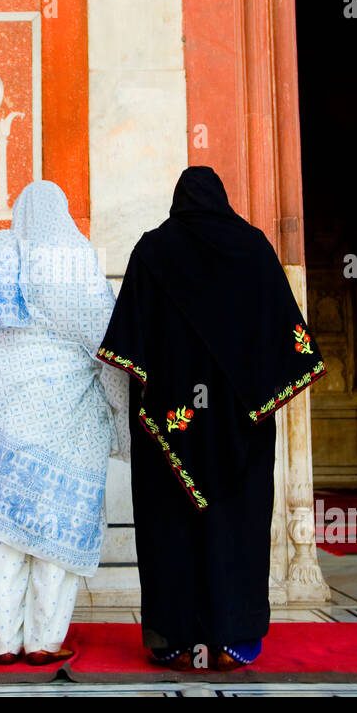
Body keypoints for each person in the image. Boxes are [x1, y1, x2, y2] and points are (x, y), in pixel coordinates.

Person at [96, 166, 325, 670]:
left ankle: (172, 639)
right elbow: (287, 344)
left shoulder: (152, 251)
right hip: (239, 429)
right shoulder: (254, 249)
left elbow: (129, 348)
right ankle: (234, 639)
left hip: (167, 432)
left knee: (169, 526)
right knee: (235, 524)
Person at [0, 181, 129, 665]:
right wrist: (121, 413)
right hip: (70, 424)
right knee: (56, 527)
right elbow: (108, 344)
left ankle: (1, 642)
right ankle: (43, 640)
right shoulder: (78, 260)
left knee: (0, 535)